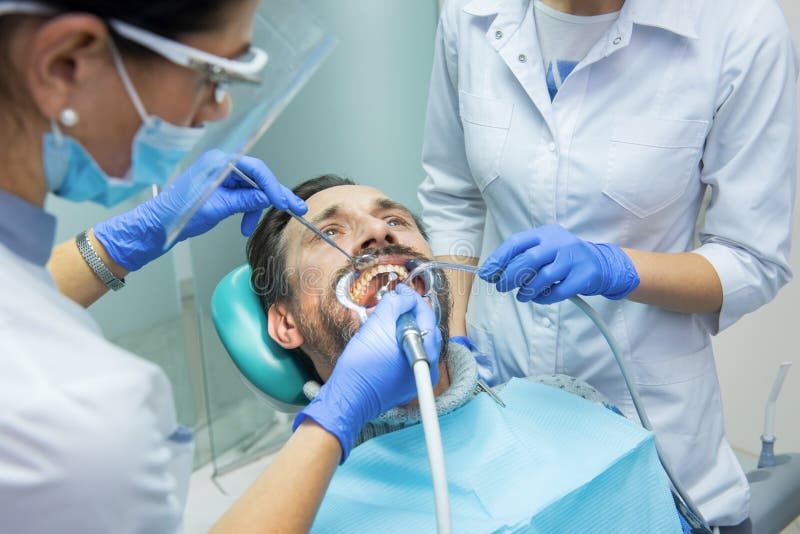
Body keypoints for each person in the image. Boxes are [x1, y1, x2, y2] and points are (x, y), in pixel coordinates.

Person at [0, 2, 430, 532]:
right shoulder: (79, 418)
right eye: (211, 73)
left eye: (395, 219)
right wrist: (338, 414)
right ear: (65, 63)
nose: (220, 107)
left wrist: (127, 240)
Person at [418, 0, 797, 527]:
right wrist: (453, 336)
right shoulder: (470, 12)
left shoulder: (739, 25)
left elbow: (752, 258)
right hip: (503, 428)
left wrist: (618, 267)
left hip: (657, 445)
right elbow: (453, 197)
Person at [240, 174, 689, 533]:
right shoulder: (292, 510)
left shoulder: (567, 398)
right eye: (329, 232)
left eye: (395, 220)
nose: (378, 231)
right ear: (287, 324)